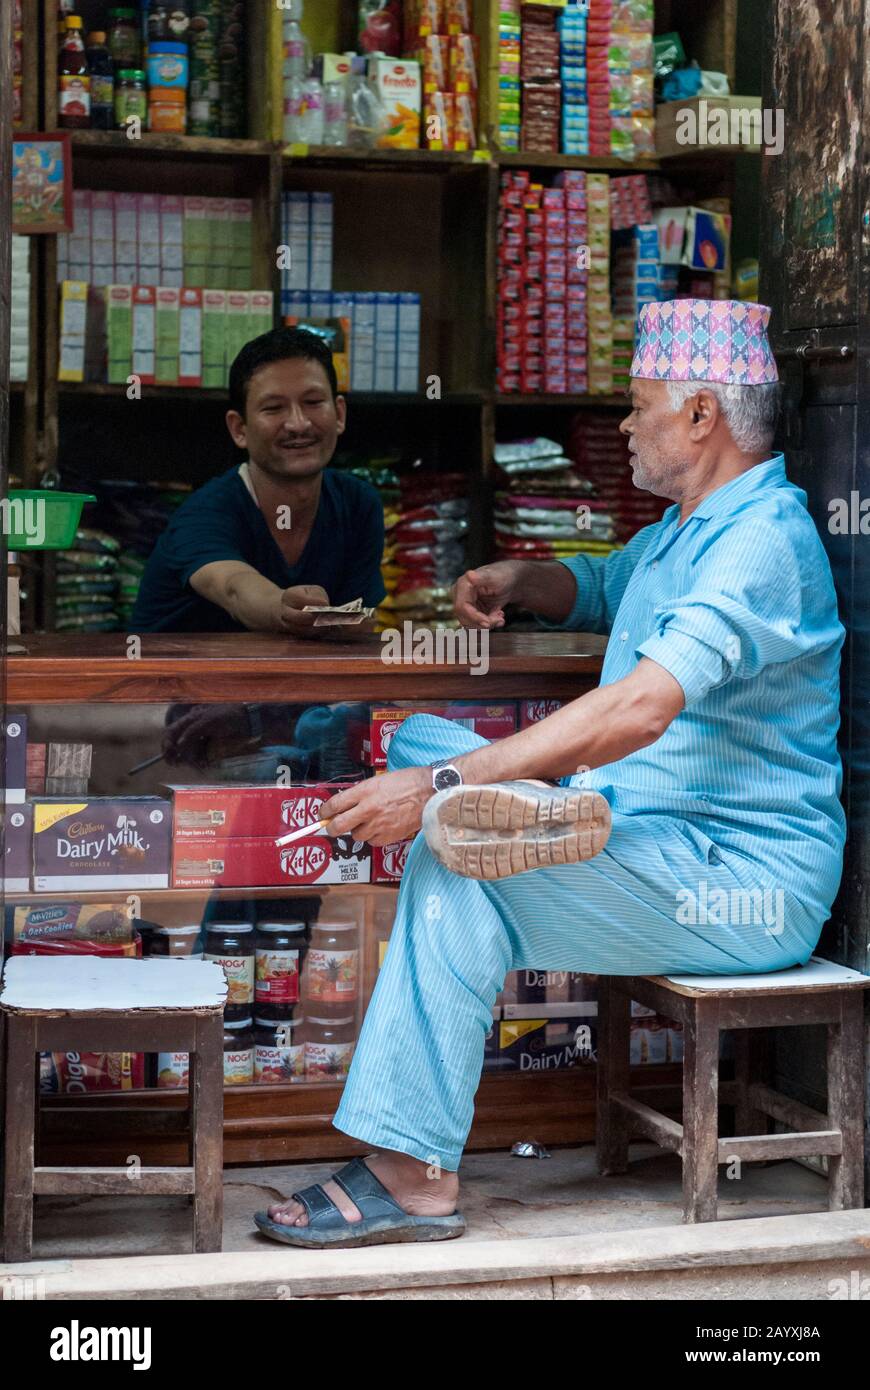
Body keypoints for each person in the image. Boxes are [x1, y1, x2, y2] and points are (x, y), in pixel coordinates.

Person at [253, 299, 845, 1250]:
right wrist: (523, 579)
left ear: (701, 416)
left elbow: (640, 707)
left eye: (639, 403)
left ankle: (411, 1174)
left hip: (735, 879)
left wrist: (448, 789)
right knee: (421, 745)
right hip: (645, 836)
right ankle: (515, 812)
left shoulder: (762, 541)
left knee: (456, 844)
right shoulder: (689, 529)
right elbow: (612, 586)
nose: (623, 424)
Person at [131, 327, 385, 634]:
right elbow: (233, 588)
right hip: (177, 681)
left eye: (314, 402)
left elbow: (358, 621)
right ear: (239, 428)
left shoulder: (358, 504)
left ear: (340, 414)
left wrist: (338, 620)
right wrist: (284, 607)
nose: (298, 423)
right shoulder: (204, 513)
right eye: (274, 408)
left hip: (293, 680)